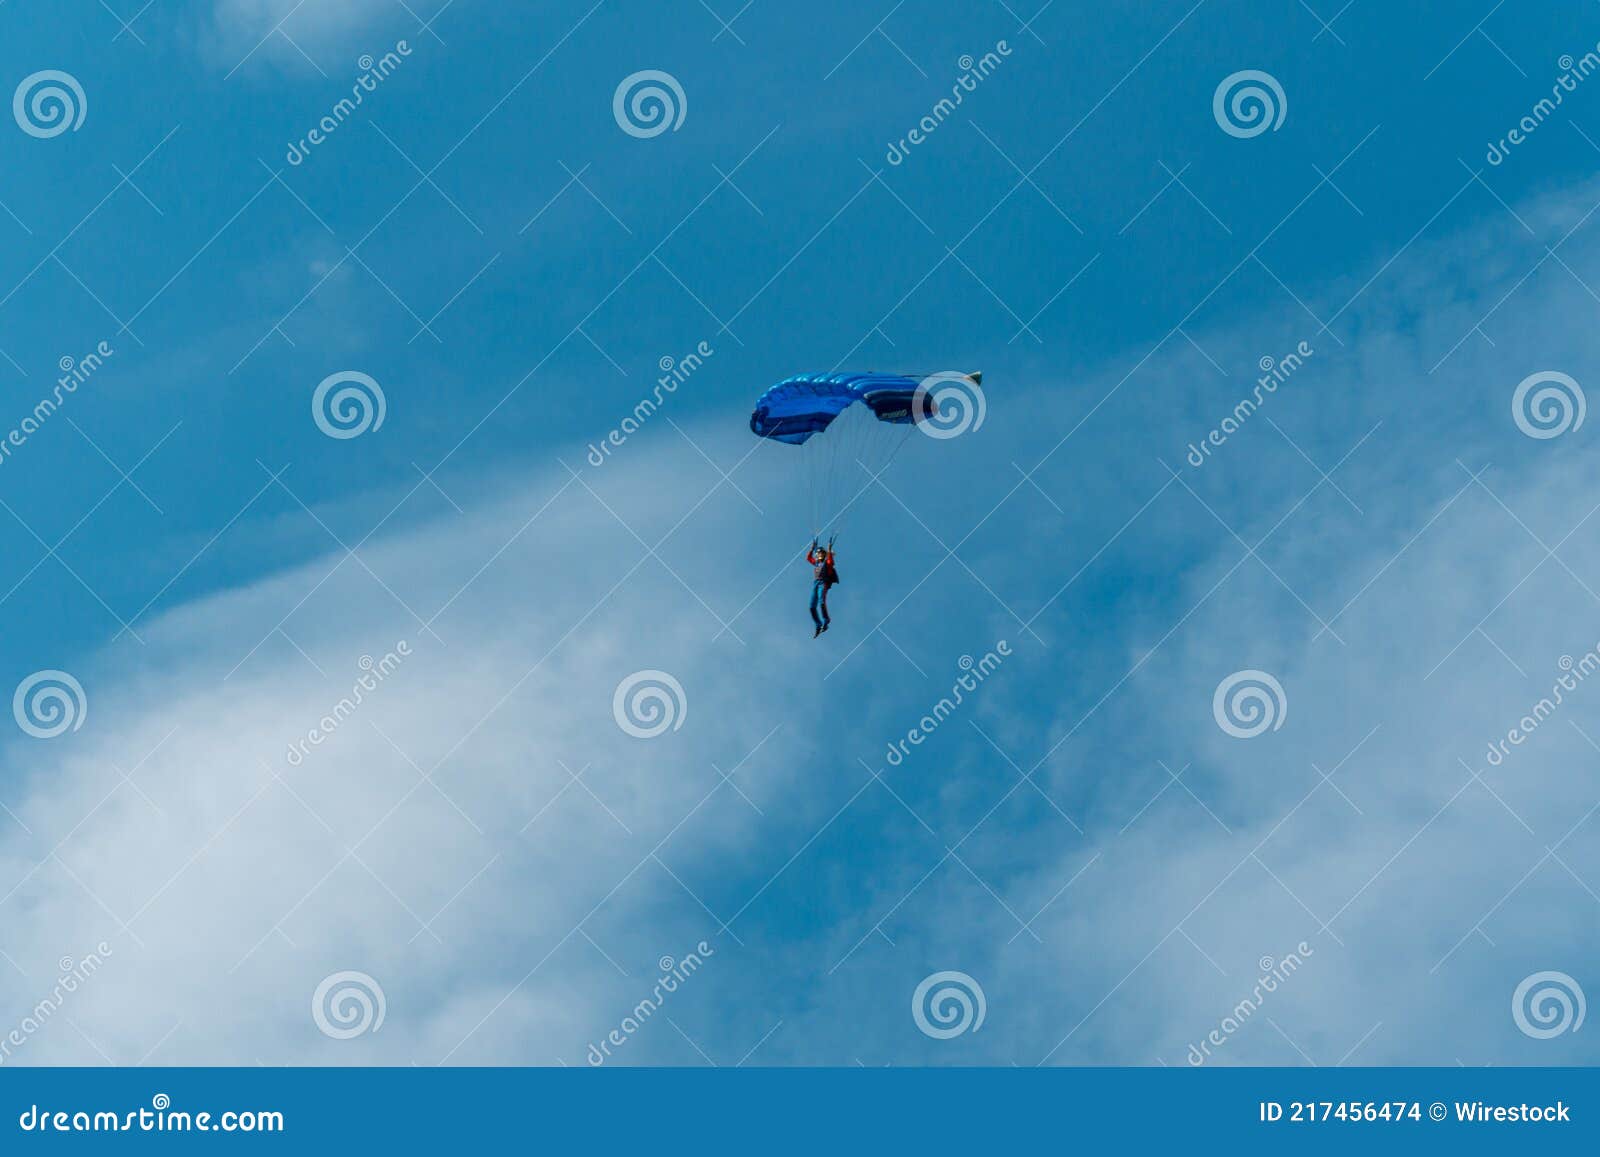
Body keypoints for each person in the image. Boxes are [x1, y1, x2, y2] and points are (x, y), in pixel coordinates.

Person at [807, 535, 839, 637]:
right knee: (811, 607)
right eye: (818, 553)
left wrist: (829, 549)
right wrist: (812, 548)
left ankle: (826, 620)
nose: (818, 554)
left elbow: (830, 559)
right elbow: (808, 558)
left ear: (824, 554)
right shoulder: (816, 563)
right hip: (815, 584)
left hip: (823, 583)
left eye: (820, 553)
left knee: (821, 601)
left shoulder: (828, 563)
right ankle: (818, 624)